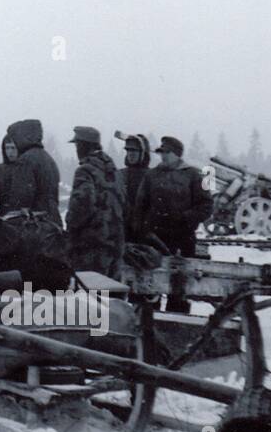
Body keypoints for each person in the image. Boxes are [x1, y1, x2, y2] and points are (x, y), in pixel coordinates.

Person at [134, 136, 213, 313]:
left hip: (182, 240)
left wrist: (186, 218)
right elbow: (140, 206)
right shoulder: (151, 175)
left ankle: (176, 325)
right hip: (154, 240)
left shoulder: (194, 175)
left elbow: (207, 206)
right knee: (149, 288)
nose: (163, 157)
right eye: (161, 153)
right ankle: (147, 325)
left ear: (177, 154)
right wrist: (141, 230)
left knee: (179, 290)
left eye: (167, 153)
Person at [64, 127, 126, 275]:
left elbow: (81, 207)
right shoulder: (114, 171)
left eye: (77, 145)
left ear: (84, 146)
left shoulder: (85, 171)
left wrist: (70, 226)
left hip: (90, 247)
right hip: (115, 245)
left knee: (89, 295)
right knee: (110, 294)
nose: (77, 150)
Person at [5, 119, 62, 228]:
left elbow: (20, 200)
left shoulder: (25, 160)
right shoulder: (48, 159)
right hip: (52, 223)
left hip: (34, 227)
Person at [115, 132, 151, 242]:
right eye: (128, 150)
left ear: (143, 153)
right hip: (120, 231)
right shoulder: (119, 175)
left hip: (144, 233)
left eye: (135, 150)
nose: (131, 154)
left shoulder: (152, 176)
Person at [0, 135, 20, 215]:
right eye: (7, 148)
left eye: (13, 148)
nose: (10, 152)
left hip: (24, 215)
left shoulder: (27, 170)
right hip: (4, 215)